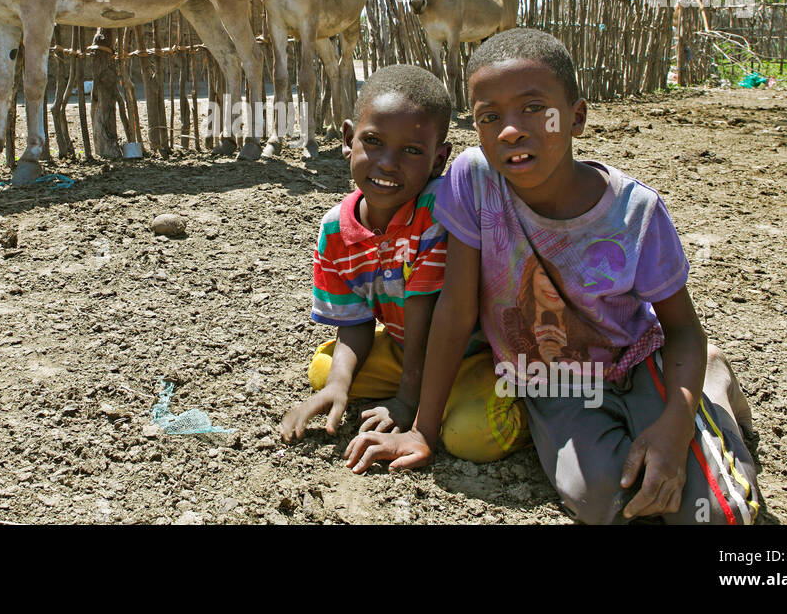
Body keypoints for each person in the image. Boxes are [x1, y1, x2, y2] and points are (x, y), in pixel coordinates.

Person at [344, 29, 761, 524]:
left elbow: (684, 329)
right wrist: (422, 430)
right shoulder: (474, 180)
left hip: (639, 360)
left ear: (577, 117)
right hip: (554, 384)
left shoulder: (635, 214)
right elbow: (455, 310)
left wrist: (675, 426)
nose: (510, 131)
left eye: (534, 108)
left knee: (709, 513)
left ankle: (708, 386)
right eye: (490, 117)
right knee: (603, 501)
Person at [280, 64, 529, 463]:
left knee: (472, 438)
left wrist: (407, 402)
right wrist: (340, 385)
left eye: (412, 151)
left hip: (472, 355)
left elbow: (426, 311)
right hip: (404, 348)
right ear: (348, 139)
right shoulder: (334, 231)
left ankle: (517, 405)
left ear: (438, 159)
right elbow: (355, 323)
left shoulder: (439, 209)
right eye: (373, 141)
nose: (388, 163)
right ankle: (426, 400)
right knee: (326, 371)